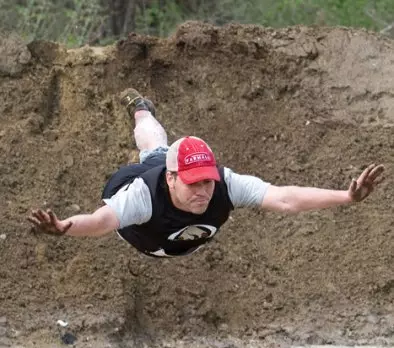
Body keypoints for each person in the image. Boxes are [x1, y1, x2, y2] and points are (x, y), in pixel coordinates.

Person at [28, 88, 385, 257]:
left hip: (171, 218)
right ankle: (140, 111)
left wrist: (347, 196)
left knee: (159, 150)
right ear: (173, 180)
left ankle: (145, 113)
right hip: (139, 215)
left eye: (207, 181)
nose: (203, 190)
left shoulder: (226, 184)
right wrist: (65, 228)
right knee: (153, 151)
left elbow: (285, 198)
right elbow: (102, 221)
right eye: (193, 182)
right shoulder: (142, 196)